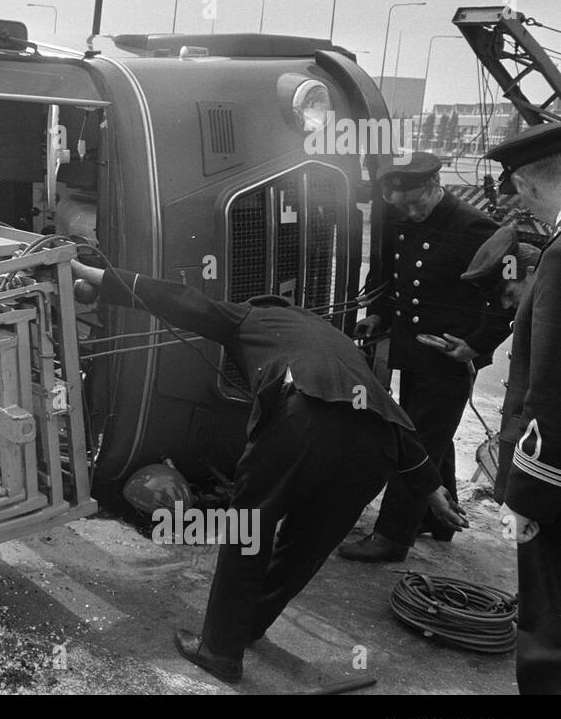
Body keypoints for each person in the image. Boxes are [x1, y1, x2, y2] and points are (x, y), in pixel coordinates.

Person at [69, 257, 465, 683]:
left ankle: (220, 650)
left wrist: (102, 278)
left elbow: (184, 300)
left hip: (304, 418)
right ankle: (249, 624)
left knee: (248, 530)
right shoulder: (335, 340)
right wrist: (431, 487)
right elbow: (391, 413)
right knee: (304, 546)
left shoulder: (250, 316)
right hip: (378, 445)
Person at [340, 152, 513, 562]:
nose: (411, 212)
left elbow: (510, 295)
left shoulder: (478, 228)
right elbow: (384, 274)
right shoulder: (399, 220)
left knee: (415, 440)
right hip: (413, 350)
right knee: (432, 435)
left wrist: (477, 345)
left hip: (452, 358)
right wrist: (377, 314)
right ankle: (435, 519)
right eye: (402, 204)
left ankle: (393, 537)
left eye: (418, 202)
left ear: (436, 185)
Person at [482, 121, 561, 694]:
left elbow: (552, 385)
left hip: (554, 478)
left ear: (530, 186)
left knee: (547, 629)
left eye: (522, 191)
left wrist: (528, 490)